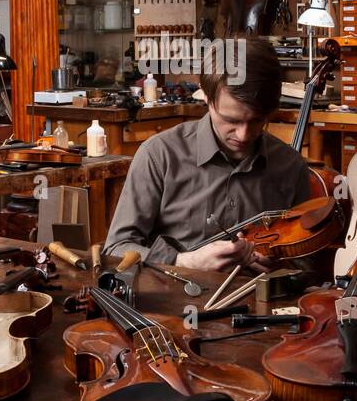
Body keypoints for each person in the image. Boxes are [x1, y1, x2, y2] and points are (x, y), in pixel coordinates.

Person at [105, 36, 312, 271]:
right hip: (177, 302)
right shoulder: (159, 155)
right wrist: (183, 261)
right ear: (205, 96)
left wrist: (281, 263)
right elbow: (116, 249)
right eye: (230, 120)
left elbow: (306, 262)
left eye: (256, 121)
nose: (243, 135)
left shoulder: (290, 166)